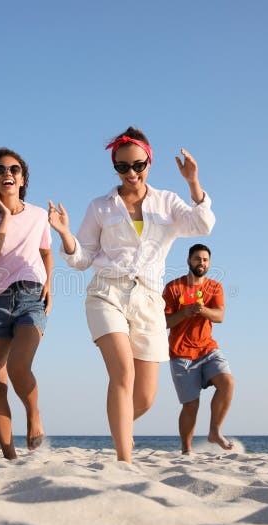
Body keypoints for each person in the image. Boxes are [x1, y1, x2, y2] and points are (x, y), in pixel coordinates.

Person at [48, 126, 215, 462]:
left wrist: (193, 182)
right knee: (122, 372)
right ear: (115, 168)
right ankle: (125, 460)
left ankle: (119, 429)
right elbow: (81, 259)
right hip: (106, 294)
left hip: (149, 301)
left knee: (145, 397)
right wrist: (65, 234)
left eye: (138, 165)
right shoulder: (100, 206)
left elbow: (203, 225)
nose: (131, 173)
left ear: (149, 163)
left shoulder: (167, 202)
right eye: (122, 167)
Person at [0, 147, 53, 460]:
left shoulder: (38, 215)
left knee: (20, 365)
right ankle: (9, 454)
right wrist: (4, 217)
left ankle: (34, 414)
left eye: (14, 170)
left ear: (23, 179)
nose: (8, 174)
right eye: (1, 169)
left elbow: (46, 251)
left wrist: (50, 284)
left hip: (31, 297)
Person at [163, 244, 233, 454]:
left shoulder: (214, 287)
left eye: (204, 260)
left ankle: (214, 431)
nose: (201, 263)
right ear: (188, 261)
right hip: (181, 354)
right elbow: (164, 322)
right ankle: (186, 450)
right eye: (197, 259)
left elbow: (219, 316)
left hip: (207, 349)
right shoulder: (173, 288)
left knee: (227, 383)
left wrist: (202, 310)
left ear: (209, 263)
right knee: (191, 405)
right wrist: (184, 313)